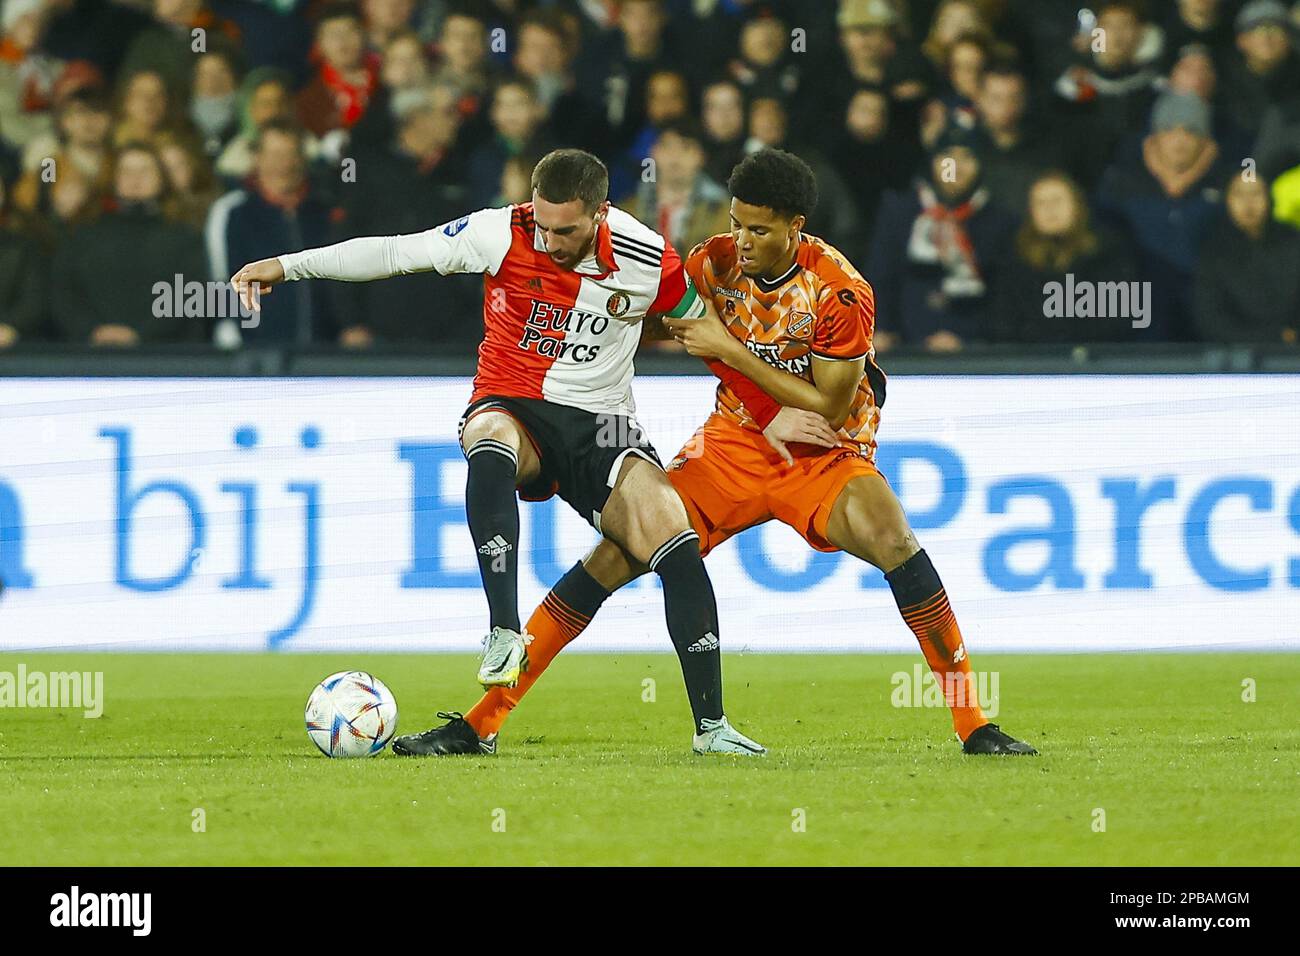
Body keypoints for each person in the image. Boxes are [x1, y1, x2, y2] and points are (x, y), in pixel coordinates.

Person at [410, 149, 1037, 758]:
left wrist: (727, 348)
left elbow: (834, 407)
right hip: (730, 445)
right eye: (735, 222)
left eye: (758, 230)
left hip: (822, 455)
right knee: (614, 555)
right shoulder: (713, 263)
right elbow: (659, 319)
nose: (740, 239)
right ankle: (482, 722)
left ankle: (973, 722)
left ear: (796, 228)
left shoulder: (840, 291)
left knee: (895, 539)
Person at [230, 148, 765, 756]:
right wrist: (285, 266)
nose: (550, 239)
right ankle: (504, 629)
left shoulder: (650, 259)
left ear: (600, 213)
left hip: (603, 426)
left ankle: (712, 729)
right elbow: (394, 253)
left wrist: (777, 405)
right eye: (542, 224)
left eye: (565, 230)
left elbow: (708, 337)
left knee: (675, 538)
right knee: (491, 439)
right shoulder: (498, 232)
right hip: (514, 402)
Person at [1194, 172, 1300, 343]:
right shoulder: (1213, 249)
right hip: (1231, 357)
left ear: (1269, 198)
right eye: (1239, 194)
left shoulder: (1293, 241)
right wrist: (1273, 337)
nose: (1248, 203)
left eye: (1256, 193)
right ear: (1226, 200)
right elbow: (1210, 317)